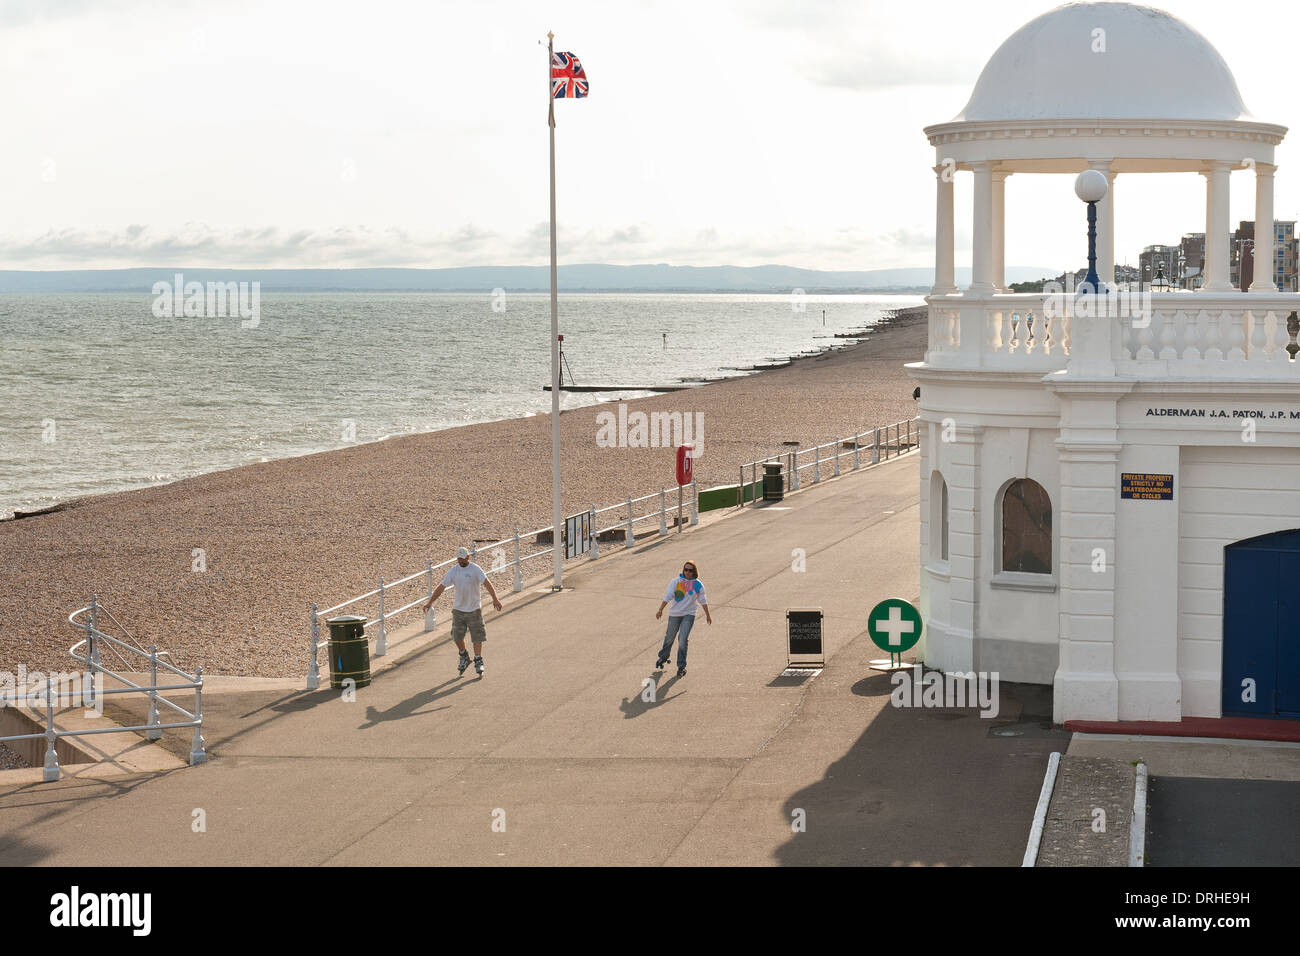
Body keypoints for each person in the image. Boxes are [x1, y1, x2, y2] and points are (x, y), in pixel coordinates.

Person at [423, 547, 502, 676]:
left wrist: (495, 599)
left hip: (474, 609)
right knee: (457, 636)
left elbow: (487, 583)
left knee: (477, 636)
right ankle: (464, 655)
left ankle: (478, 659)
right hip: (458, 609)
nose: (461, 561)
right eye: (459, 559)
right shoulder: (453, 571)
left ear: (468, 557)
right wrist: (429, 602)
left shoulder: (476, 569)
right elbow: (441, 587)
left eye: (463, 559)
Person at [654, 560, 711, 677]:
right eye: (686, 570)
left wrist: (708, 615)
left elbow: (703, 600)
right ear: (683, 570)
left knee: (682, 639)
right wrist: (660, 610)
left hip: (689, 614)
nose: (687, 572)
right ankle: (663, 657)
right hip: (675, 613)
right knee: (669, 637)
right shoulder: (675, 582)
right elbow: (668, 596)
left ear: (694, 571)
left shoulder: (697, 584)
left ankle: (681, 666)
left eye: (690, 570)